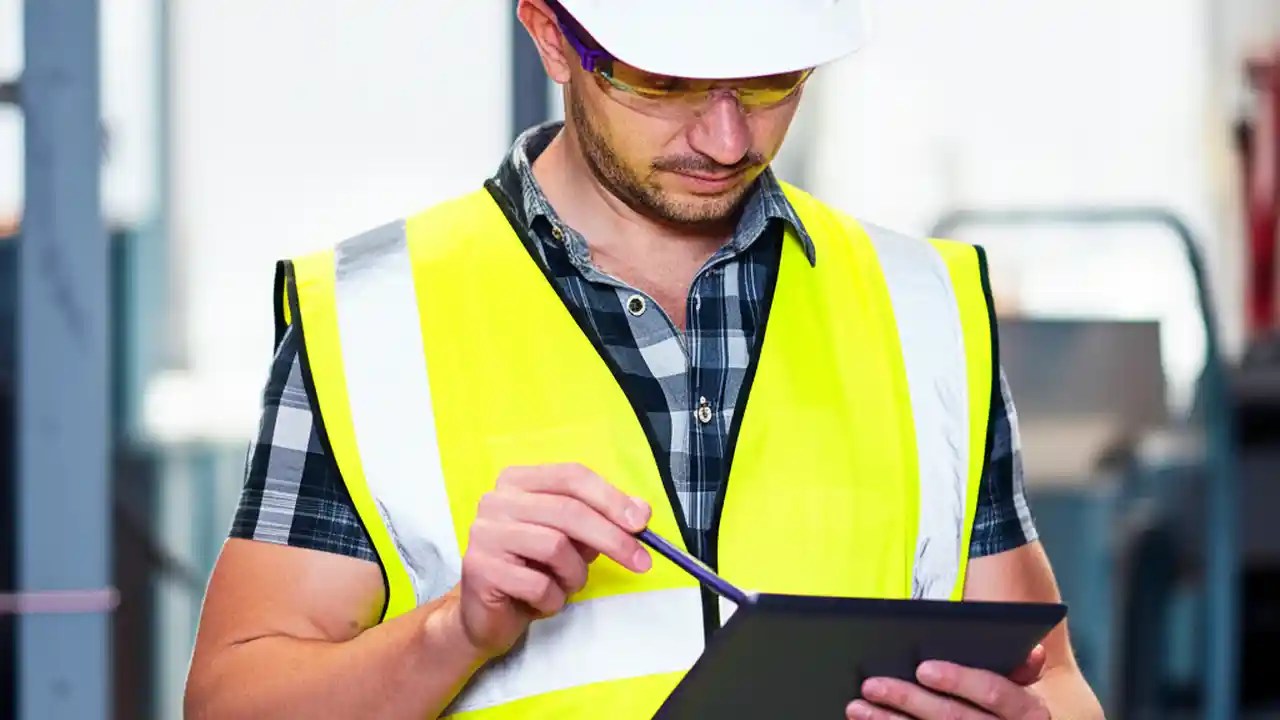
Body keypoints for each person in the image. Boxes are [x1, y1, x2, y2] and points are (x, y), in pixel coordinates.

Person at [185, 1, 1103, 718]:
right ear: (551, 35)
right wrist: (452, 632)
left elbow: (1054, 684)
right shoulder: (374, 318)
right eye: (666, 84)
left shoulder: (921, 308)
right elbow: (233, 706)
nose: (726, 138)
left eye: (772, 82)